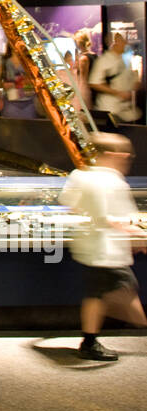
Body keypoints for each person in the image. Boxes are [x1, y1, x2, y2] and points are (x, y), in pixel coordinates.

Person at [61, 133, 147, 361]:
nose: (128, 160)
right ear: (113, 155)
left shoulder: (79, 175)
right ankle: (90, 343)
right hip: (106, 252)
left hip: (91, 250)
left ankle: (89, 341)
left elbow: (69, 204)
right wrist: (138, 236)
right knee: (128, 300)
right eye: (126, 155)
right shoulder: (112, 181)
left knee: (97, 295)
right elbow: (113, 218)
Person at [89, 33, 135, 131]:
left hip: (125, 111)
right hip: (110, 110)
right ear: (115, 42)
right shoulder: (104, 60)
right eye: (122, 41)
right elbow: (94, 82)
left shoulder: (124, 59)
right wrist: (117, 93)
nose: (126, 43)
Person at [1, 42, 35, 118]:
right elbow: (1, 80)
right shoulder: (5, 61)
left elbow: (33, 80)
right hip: (10, 101)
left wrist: (26, 81)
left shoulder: (28, 60)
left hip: (28, 101)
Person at [73, 29, 94, 108]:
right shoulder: (93, 55)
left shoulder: (83, 59)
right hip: (93, 91)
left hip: (86, 94)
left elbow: (83, 80)